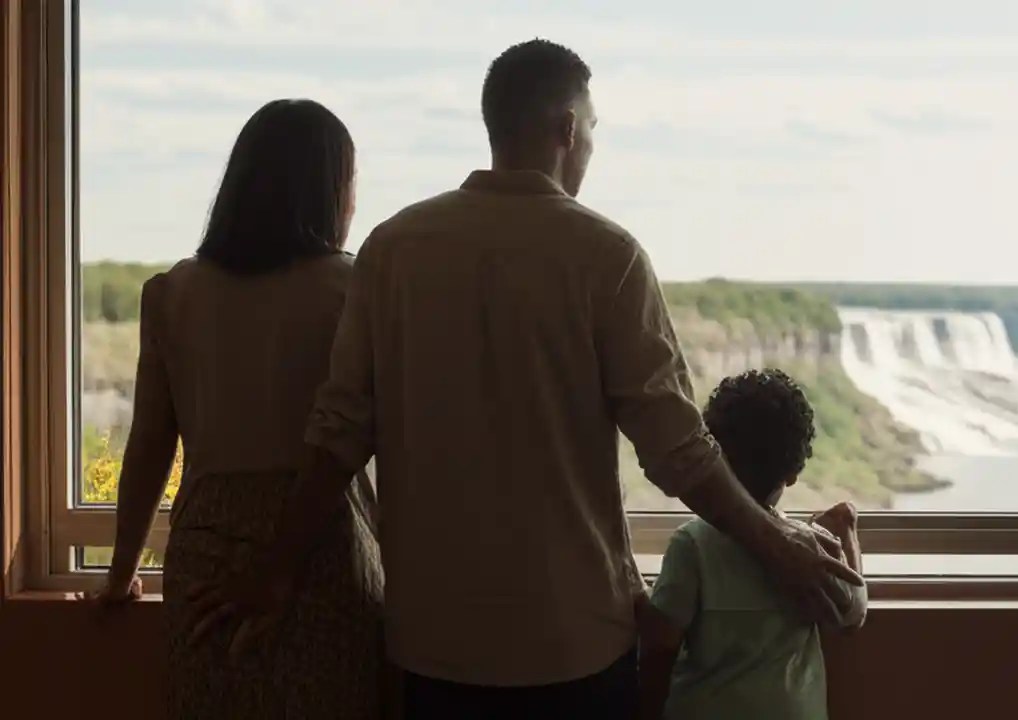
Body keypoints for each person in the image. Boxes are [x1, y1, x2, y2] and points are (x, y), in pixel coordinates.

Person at [189, 40, 860, 719]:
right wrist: (781, 547)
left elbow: (338, 435)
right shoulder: (608, 255)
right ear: (568, 127)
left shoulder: (394, 248)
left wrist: (274, 569)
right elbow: (678, 452)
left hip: (432, 641)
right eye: (593, 128)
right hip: (572, 644)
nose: (592, 145)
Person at [89, 99, 384, 719]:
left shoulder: (172, 294)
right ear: (332, 189)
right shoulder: (355, 289)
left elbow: (149, 444)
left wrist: (120, 574)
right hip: (321, 541)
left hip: (206, 547)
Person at [637, 368, 868, 720]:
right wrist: (847, 531)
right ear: (793, 472)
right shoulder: (808, 548)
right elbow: (853, 614)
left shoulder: (692, 545)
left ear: (715, 457)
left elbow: (659, 648)